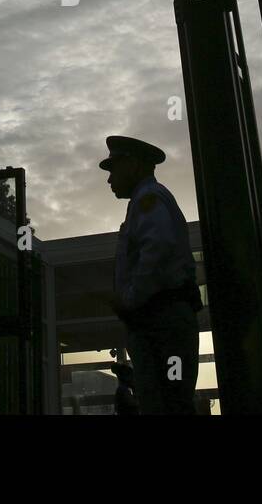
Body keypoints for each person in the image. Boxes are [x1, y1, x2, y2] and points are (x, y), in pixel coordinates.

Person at [101, 135, 201, 414]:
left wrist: (130, 300)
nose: (109, 180)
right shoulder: (145, 201)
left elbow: (157, 250)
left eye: (113, 169)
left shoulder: (148, 199)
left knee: (166, 404)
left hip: (161, 319)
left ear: (132, 164)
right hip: (160, 320)